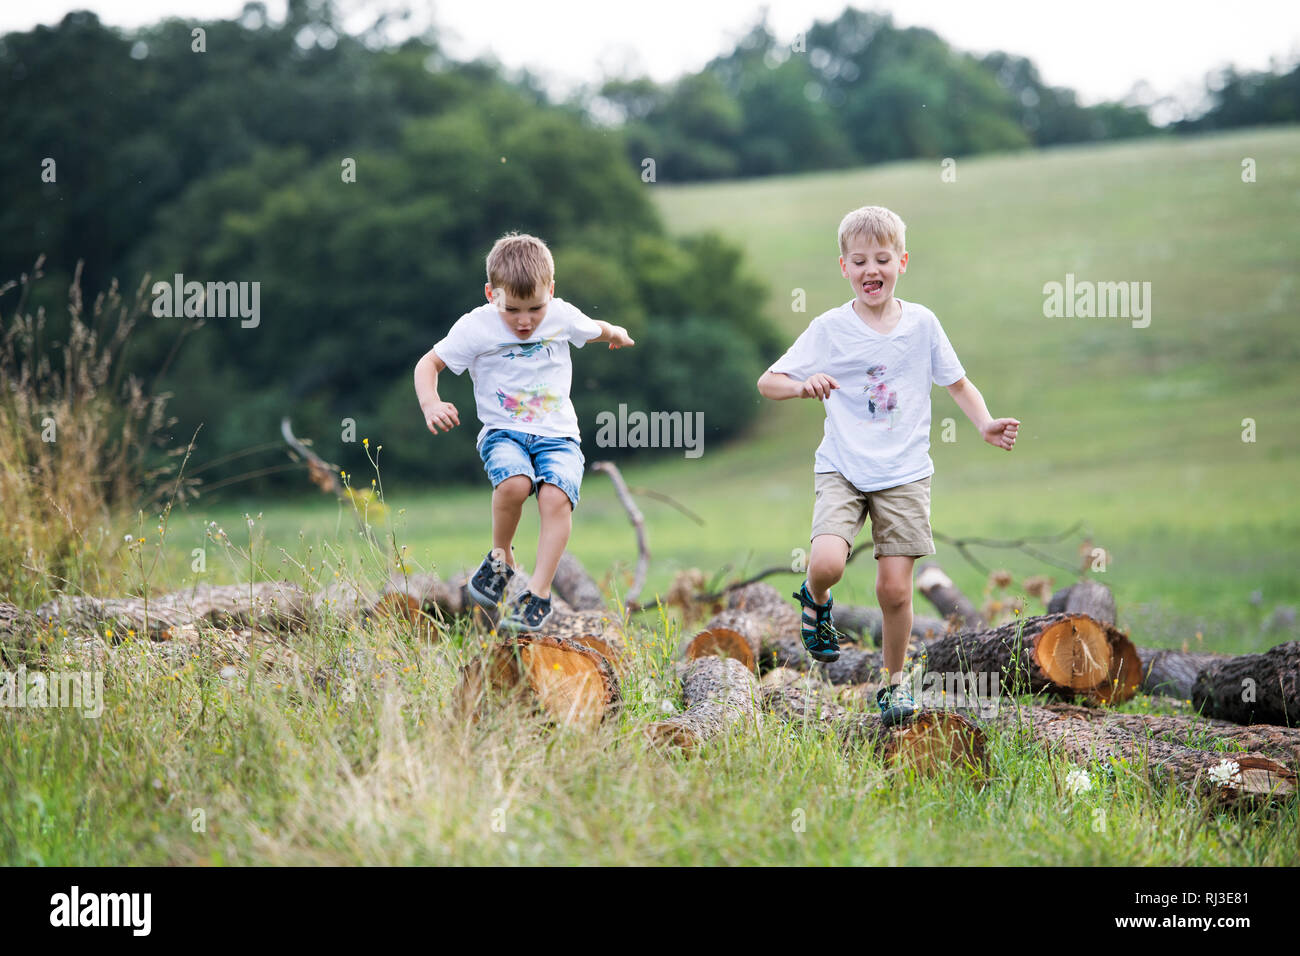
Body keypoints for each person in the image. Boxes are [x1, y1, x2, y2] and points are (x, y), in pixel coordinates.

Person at [757, 206, 1019, 725]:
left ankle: (894, 684)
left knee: (894, 591)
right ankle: (815, 599)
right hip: (843, 468)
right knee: (828, 563)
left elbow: (957, 383)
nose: (870, 269)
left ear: (902, 261)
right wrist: (801, 384)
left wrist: (984, 423)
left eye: (882, 259)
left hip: (904, 474)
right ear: (843, 267)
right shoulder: (829, 329)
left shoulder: (922, 324)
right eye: (859, 261)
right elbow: (769, 382)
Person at [414, 232, 634, 631]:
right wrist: (431, 402)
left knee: (555, 499)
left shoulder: (561, 314)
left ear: (551, 290)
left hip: (559, 436)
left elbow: (593, 327)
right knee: (514, 485)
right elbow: (428, 364)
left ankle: (540, 591)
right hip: (504, 432)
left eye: (535, 307)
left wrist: (615, 331)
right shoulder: (475, 327)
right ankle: (502, 559)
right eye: (511, 309)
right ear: (490, 294)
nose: (525, 320)